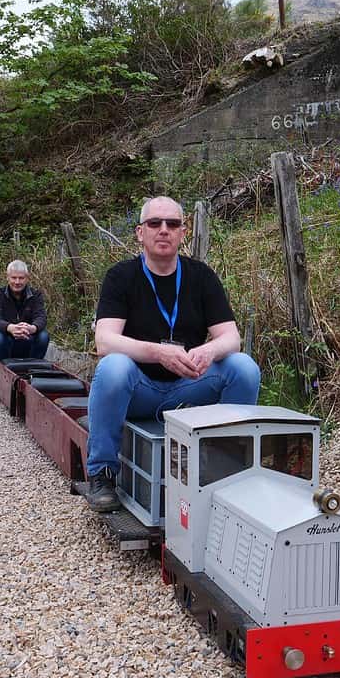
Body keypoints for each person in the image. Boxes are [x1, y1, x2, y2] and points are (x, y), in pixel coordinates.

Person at [85, 196, 260, 512]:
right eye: (155, 223)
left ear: (183, 232)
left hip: (190, 386)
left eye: (172, 224)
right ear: (140, 232)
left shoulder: (201, 276)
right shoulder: (121, 276)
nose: (163, 230)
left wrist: (209, 350)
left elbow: (231, 337)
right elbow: (105, 341)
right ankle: (102, 473)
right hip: (140, 391)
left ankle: (226, 467)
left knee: (243, 367)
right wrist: (157, 353)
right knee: (113, 368)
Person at [0, 260, 50, 360]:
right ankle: (4, 368)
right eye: (14, 278)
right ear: (7, 277)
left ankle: (34, 367)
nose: (17, 282)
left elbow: (41, 317)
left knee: (43, 336)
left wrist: (32, 328)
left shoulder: (36, 295)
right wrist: (10, 327)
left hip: (28, 336)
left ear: (27, 278)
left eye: (21, 278)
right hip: (7, 336)